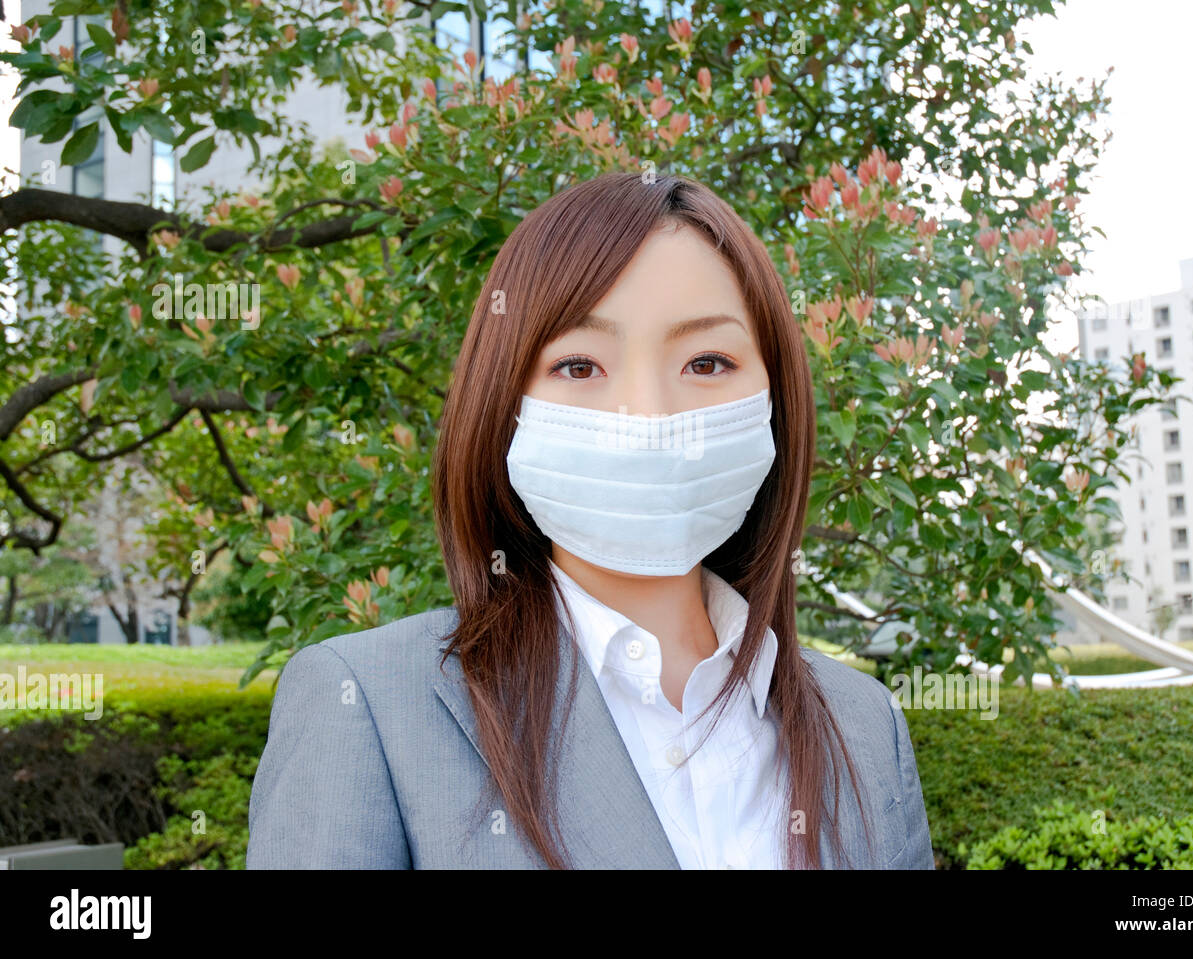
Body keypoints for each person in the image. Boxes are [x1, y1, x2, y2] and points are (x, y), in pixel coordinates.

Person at [246, 170, 934, 869]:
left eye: (707, 360)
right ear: (503, 402)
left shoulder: (865, 725)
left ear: (773, 400)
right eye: (579, 366)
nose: (647, 416)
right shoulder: (366, 704)